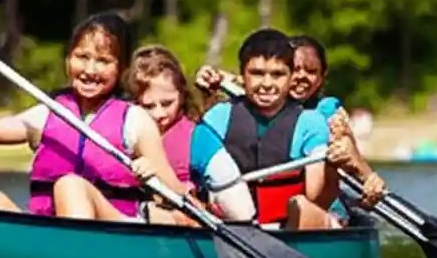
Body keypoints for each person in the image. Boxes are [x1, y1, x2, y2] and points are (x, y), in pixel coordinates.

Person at [0, 12, 184, 221]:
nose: (89, 70)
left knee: (71, 185)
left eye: (103, 61)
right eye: (81, 57)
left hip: (112, 231)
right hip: (49, 229)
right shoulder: (49, 112)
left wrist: (152, 175)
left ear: (122, 69)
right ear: (68, 60)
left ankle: (74, 257)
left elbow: (175, 193)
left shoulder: (135, 120)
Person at [198, 33, 387, 213]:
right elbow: (247, 78)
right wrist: (213, 82)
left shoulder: (326, 113)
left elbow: (347, 153)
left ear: (322, 77)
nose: (301, 77)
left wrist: (369, 178)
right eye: (296, 70)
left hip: (317, 207)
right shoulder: (241, 103)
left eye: (311, 71)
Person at [195, 29, 338, 230]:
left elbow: (314, 194)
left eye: (278, 75)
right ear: (242, 75)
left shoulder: (310, 123)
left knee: (304, 207)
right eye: (257, 74)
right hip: (230, 223)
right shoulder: (219, 117)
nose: (267, 84)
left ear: (290, 78)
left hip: (289, 225)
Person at [125, 45, 256, 224]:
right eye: (148, 106)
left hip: (183, 220)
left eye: (167, 103)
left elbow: (240, 208)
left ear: (182, 95)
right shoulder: (123, 128)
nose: (159, 114)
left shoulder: (198, 137)